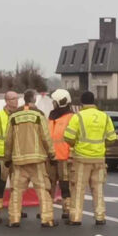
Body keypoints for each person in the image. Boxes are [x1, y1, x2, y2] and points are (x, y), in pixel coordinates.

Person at [3, 90, 57, 228]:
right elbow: (46, 137)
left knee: (16, 191)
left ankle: (14, 219)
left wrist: (7, 157)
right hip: (37, 160)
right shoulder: (39, 115)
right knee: (43, 189)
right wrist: (51, 154)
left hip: (19, 161)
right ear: (34, 100)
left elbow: (8, 140)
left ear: (23, 100)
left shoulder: (14, 116)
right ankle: (47, 219)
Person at [63, 90, 116, 226]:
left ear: (81, 103)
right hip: (99, 158)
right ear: (94, 102)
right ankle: (100, 216)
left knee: (78, 188)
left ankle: (75, 217)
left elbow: (68, 137)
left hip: (82, 158)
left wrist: (76, 144)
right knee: (98, 188)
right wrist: (101, 146)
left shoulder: (78, 117)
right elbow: (112, 138)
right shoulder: (104, 117)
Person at [47, 89, 74, 223]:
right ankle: (47, 211)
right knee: (49, 185)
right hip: (51, 157)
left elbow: (73, 138)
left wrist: (71, 155)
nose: (52, 104)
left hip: (64, 157)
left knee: (65, 185)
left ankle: (67, 209)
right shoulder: (51, 117)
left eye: (54, 102)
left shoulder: (71, 117)